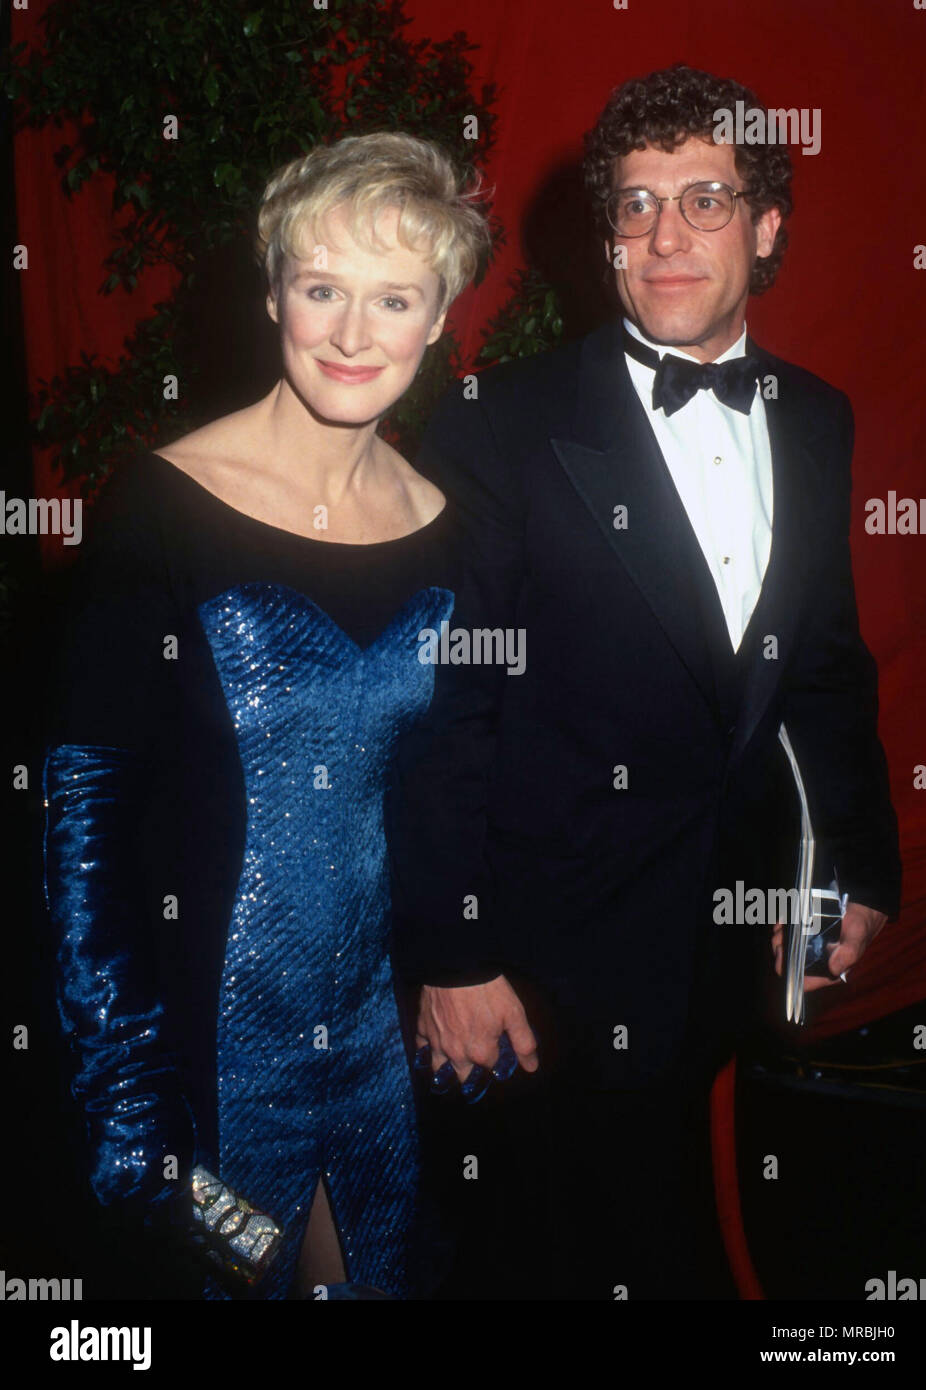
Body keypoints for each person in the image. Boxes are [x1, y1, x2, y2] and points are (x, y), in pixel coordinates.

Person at [388, 65, 901, 1300]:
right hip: (533, 970)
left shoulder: (817, 418)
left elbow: (823, 666)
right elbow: (444, 708)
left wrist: (851, 866)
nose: (666, 236)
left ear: (767, 227)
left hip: (713, 951)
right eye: (635, 205)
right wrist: (454, 957)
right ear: (605, 233)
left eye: (706, 199)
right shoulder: (492, 424)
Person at [41, 131, 489, 1300]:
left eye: (393, 298)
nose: (352, 334)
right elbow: (82, 820)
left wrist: (464, 962)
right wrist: (126, 1089)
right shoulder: (161, 505)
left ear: (437, 318)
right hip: (204, 1054)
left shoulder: (449, 519)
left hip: (376, 1040)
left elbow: (448, 790)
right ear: (274, 290)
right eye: (322, 287)